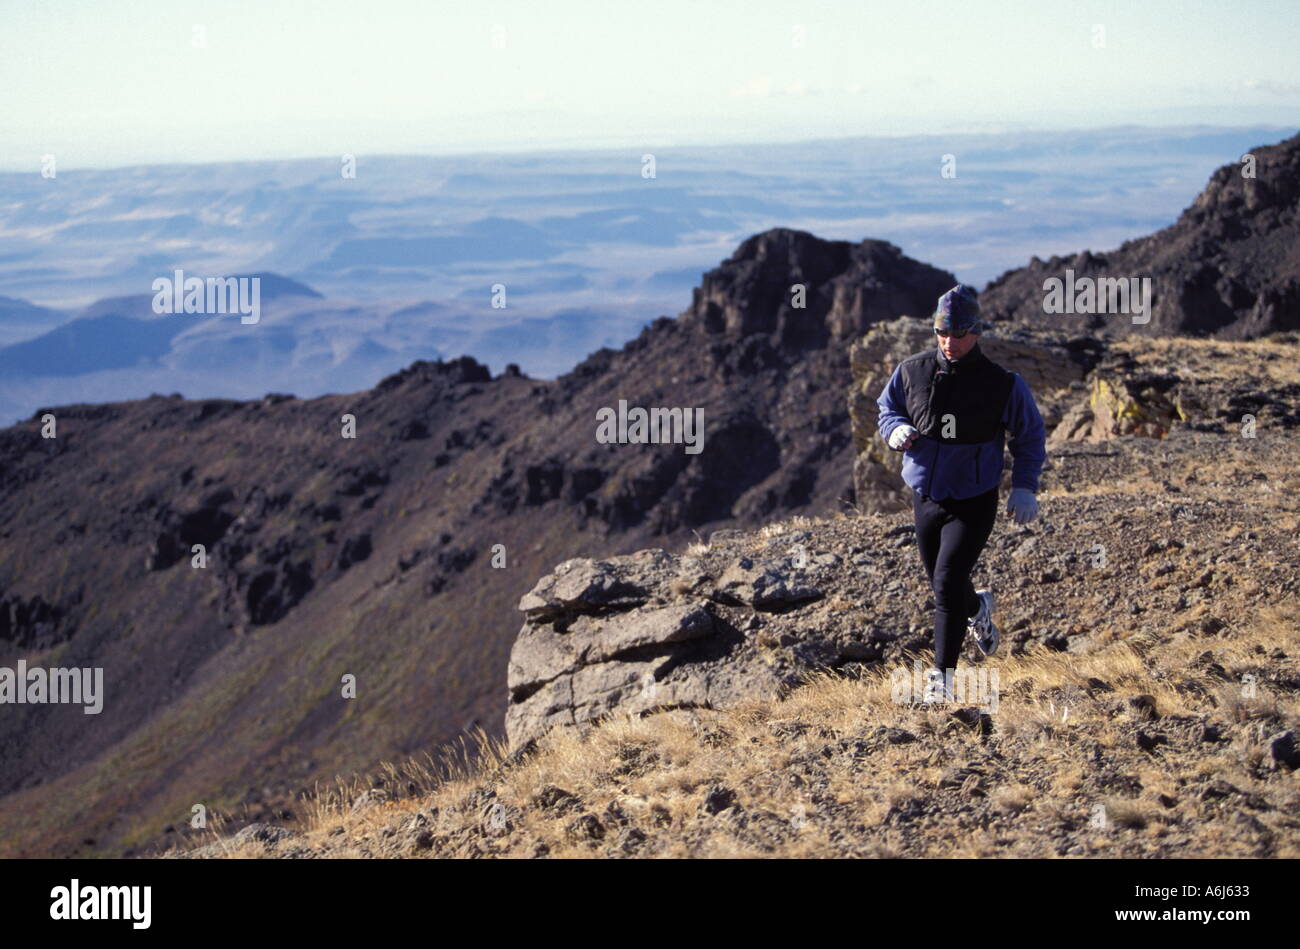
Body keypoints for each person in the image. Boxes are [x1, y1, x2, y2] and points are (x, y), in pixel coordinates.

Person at [876, 284, 1046, 704]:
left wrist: (1024, 486)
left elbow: (1030, 435)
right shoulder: (911, 370)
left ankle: (942, 680)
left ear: (977, 331)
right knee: (944, 586)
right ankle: (978, 608)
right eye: (941, 332)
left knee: (947, 580)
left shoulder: (1003, 384)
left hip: (974, 498)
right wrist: (894, 429)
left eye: (959, 333)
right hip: (926, 496)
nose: (949, 342)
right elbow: (887, 408)